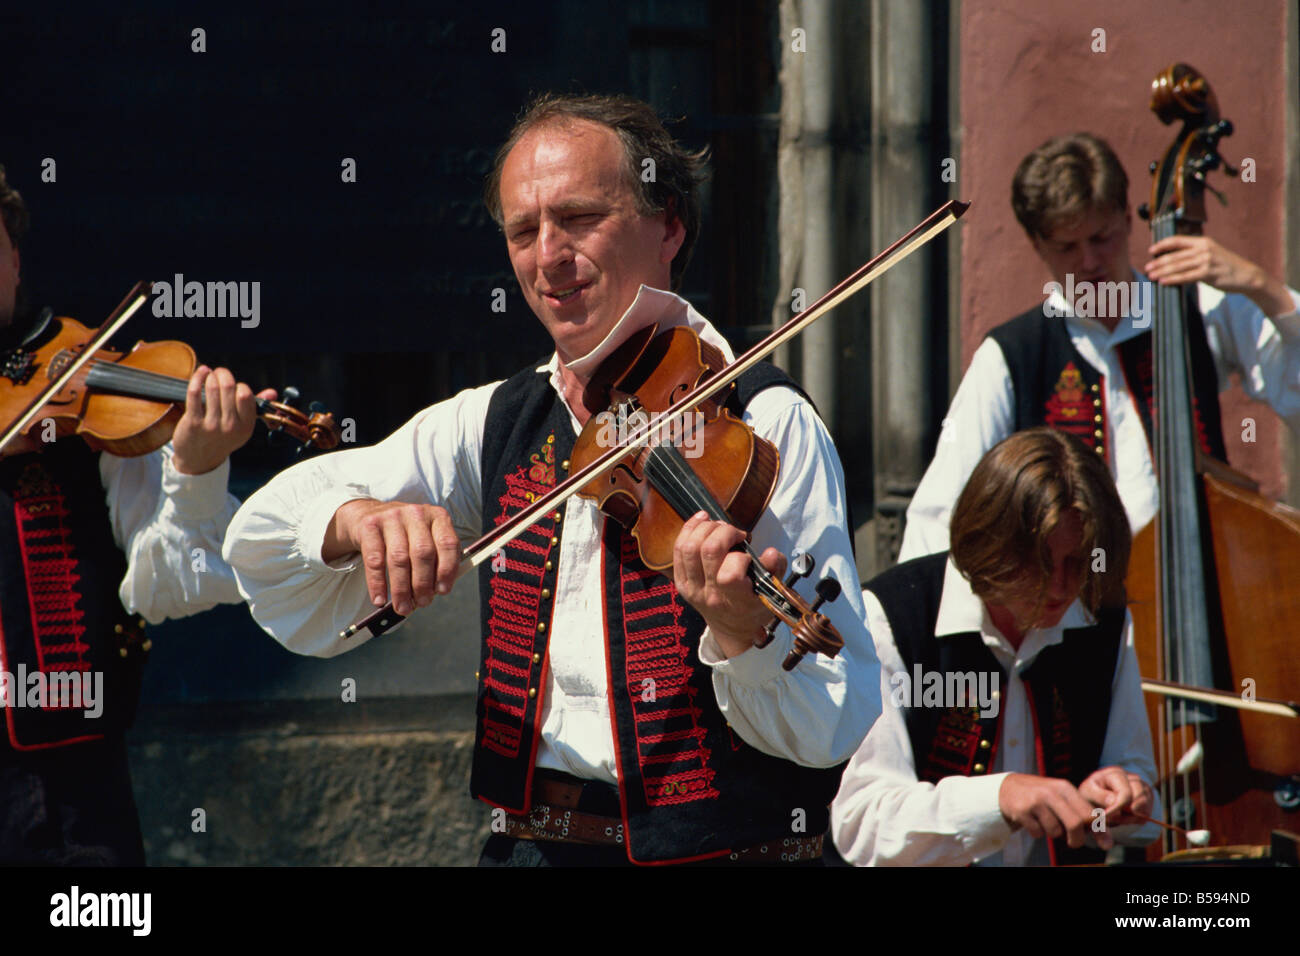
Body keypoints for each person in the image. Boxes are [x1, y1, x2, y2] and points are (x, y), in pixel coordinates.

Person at [223, 92, 879, 866]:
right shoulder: (497, 419)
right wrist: (357, 519)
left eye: (578, 219)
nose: (548, 257)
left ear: (668, 225)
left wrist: (744, 633)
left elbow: (833, 724)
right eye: (523, 231)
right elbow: (261, 546)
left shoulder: (763, 423)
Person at [0, 164, 274, 864]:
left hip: (68, 793)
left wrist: (199, 468)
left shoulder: (79, 382)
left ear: (14, 255)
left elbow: (170, 587)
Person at [900, 132, 1300, 561]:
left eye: (1101, 237)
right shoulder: (1011, 355)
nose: (1089, 262)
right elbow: (939, 513)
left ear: (1129, 219)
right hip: (1070, 615)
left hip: (1207, 583)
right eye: (1067, 247)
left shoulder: (1199, 309)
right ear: (1037, 245)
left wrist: (1263, 288)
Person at [832, 427, 1160, 866]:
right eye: (1042, 561)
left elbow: (1139, 791)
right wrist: (999, 799)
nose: (1062, 587)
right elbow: (862, 824)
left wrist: (1123, 795)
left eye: (1077, 561)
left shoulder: (1102, 618)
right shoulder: (891, 617)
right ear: (994, 544)